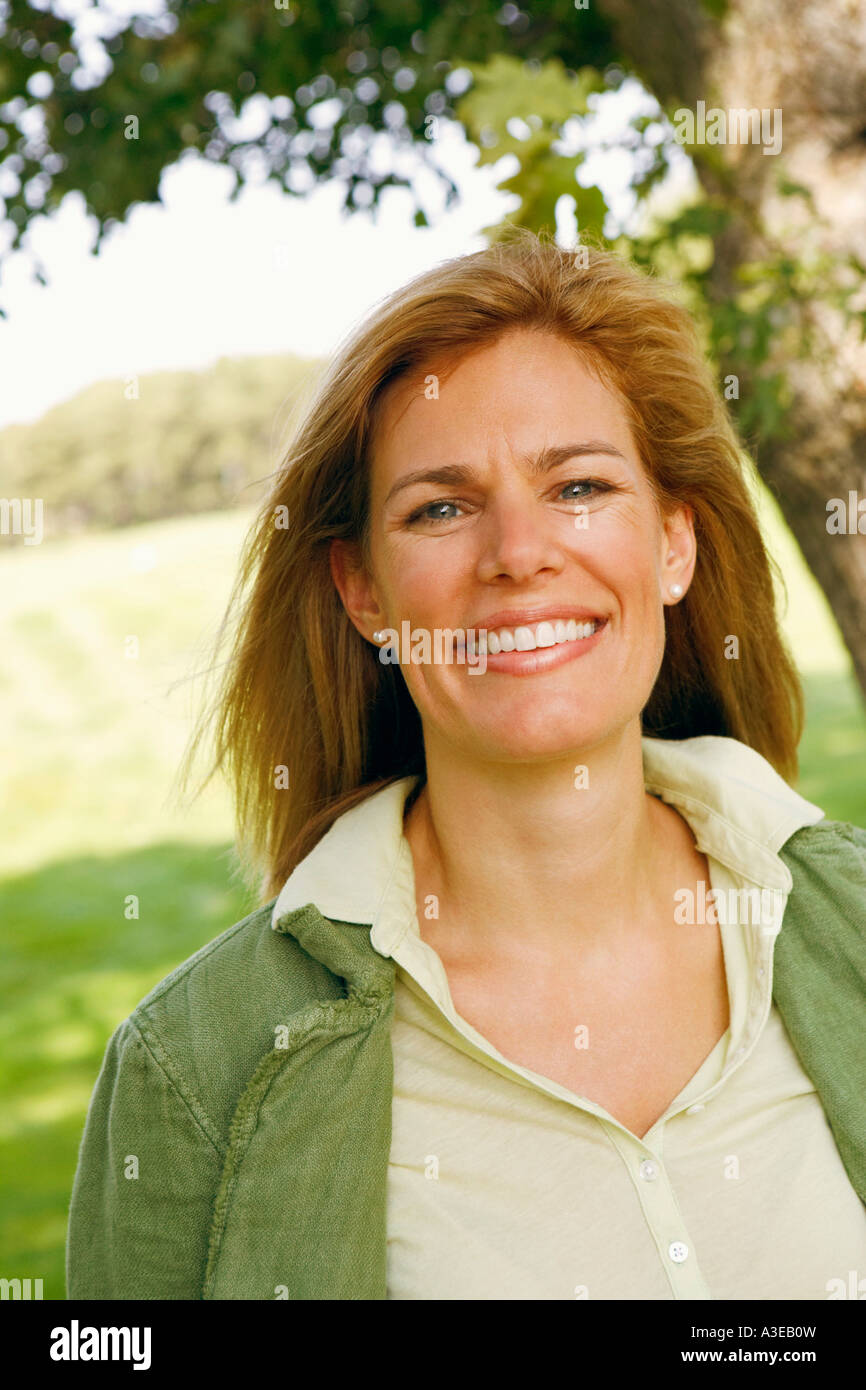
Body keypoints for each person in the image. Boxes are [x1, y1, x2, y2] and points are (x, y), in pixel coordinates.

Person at [67, 230, 866, 1301]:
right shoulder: (194, 1068)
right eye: (439, 507)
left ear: (672, 544)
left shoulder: (844, 922)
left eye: (578, 486)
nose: (517, 553)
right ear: (362, 593)